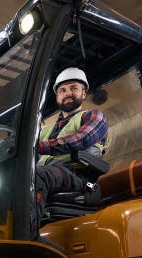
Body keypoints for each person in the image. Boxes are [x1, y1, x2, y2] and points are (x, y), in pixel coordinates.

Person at [34, 67, 109, 231]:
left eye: (74, 88)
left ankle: (28, 234)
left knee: (37, 176)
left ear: (83, 93)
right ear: (57, 97)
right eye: (63, 90)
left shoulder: (94, 116)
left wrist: (40, 147)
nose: (68, 93)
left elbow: (81, 139)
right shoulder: (45, 129)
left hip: (77, 176)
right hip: (50, 172)